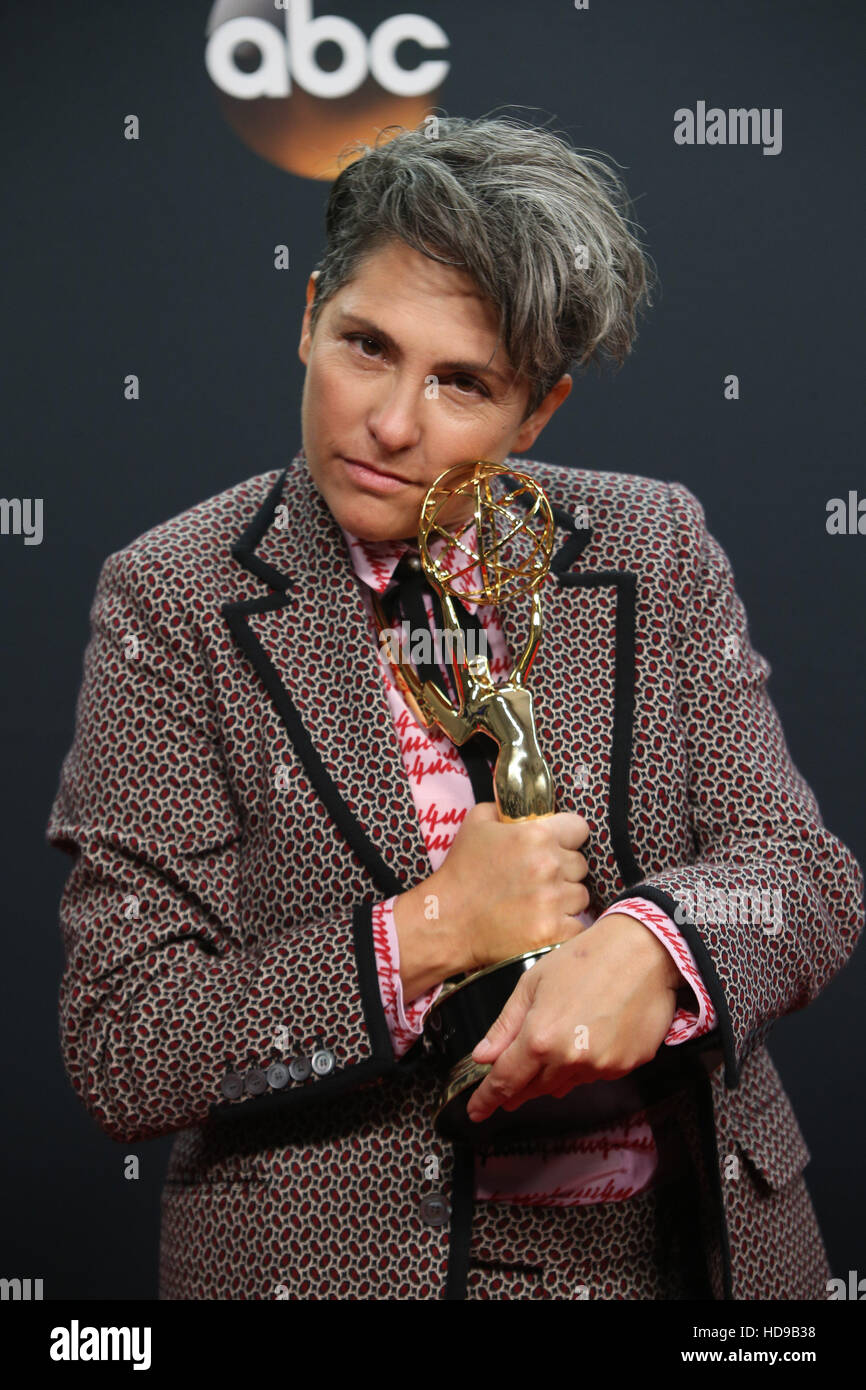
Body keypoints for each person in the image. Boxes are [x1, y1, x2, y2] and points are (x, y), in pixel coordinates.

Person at [46, 115, 863, 1300]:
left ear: (537, 414)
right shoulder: (172, 595)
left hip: (690, 1268)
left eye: (461, 384)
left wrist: (658, 944)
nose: (390, 424)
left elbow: (799, 869)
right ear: (308, 310)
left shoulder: (651, 541)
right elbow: (128, 1041)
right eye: (365, 345)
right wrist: (428, 929)